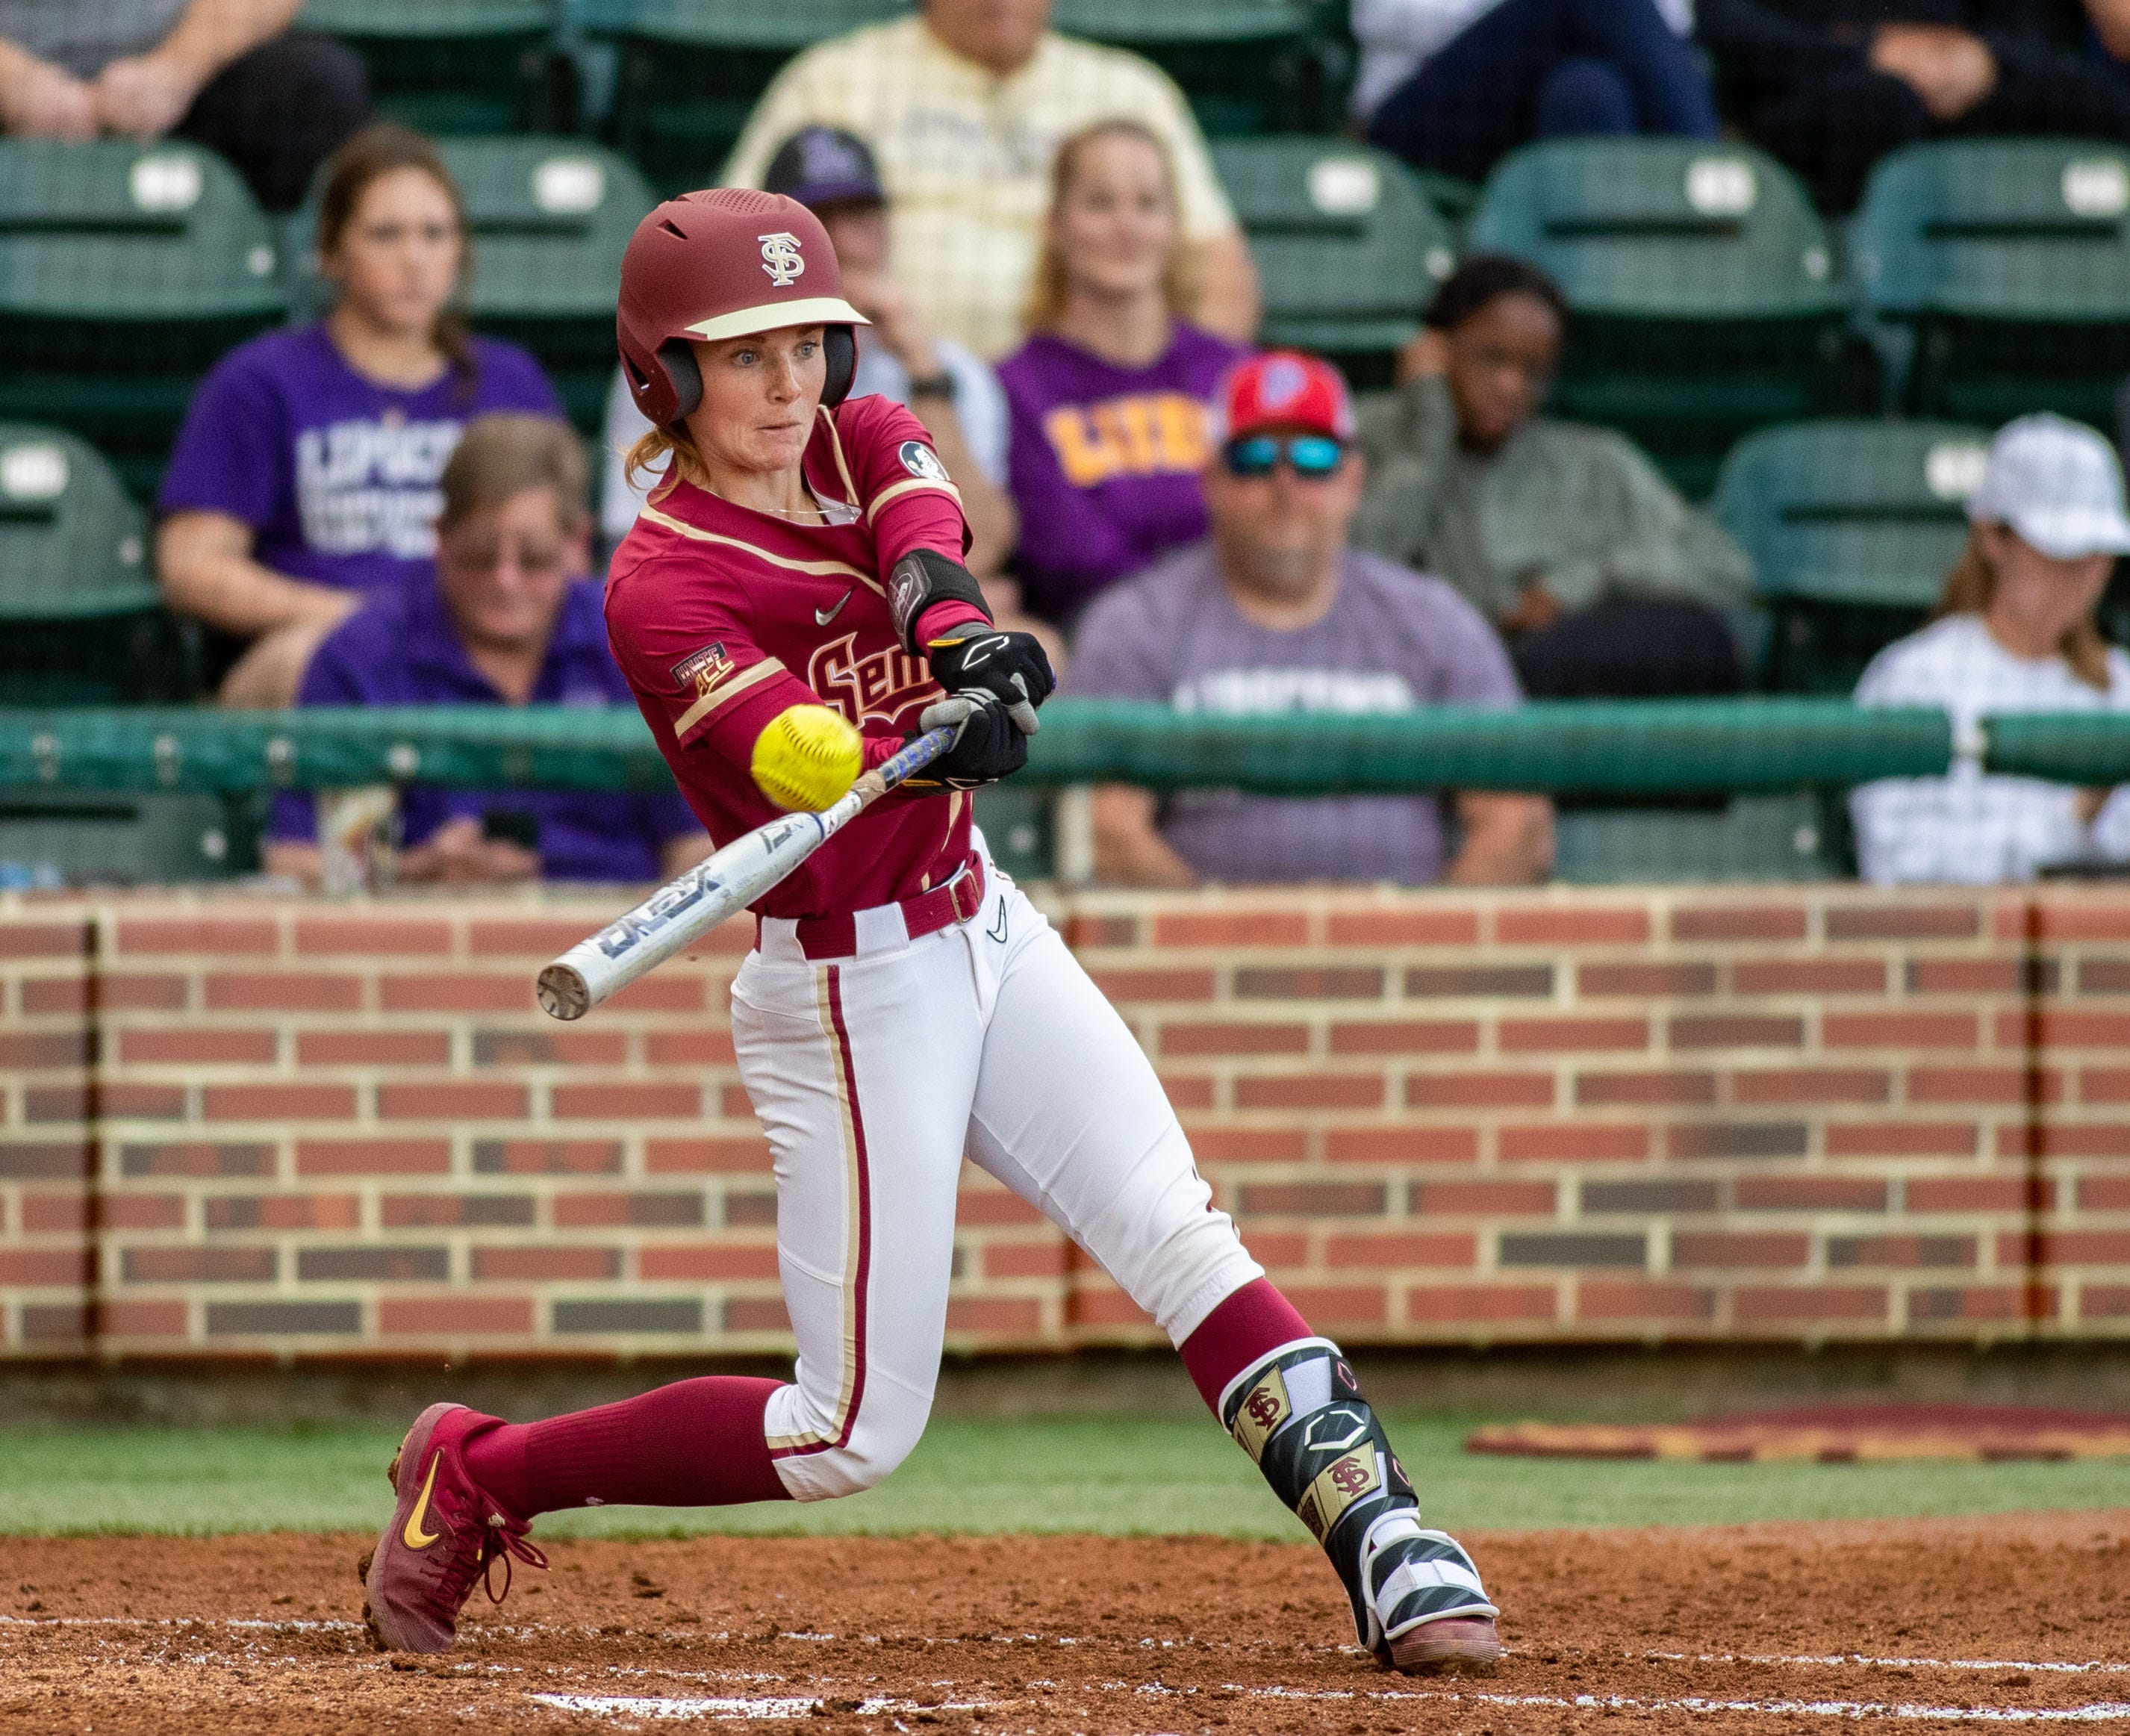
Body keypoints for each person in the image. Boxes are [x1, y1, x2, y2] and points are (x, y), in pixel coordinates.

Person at [358, 189, 1503, 1680]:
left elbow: (920, 535)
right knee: (846, 1430)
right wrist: (894, 739)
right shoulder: (658, 579)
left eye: (805, 345)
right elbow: (793, 756)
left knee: (1170, 1222)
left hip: (981, 920)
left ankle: (1386, 1531)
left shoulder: (859, 427)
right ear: (665, 375)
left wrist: (961, 651)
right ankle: (483, 1465)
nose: (787, 384)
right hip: (846, 982)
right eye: (744, 353)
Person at [1070, 350, 1554, 889]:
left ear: (1352, 478)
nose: (1284, 482)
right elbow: (1107, 830)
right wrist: (1225, 952)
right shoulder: (1137, 623)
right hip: (1202, 959)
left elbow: (1514, 822)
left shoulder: (1434, 620)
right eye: (1253, 457)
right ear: (1210, 480)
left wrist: (1420, 954)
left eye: (1313, 456)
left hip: (1401, 954)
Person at [156, 124, 564, 709]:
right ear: (331, 251)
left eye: (434, 234)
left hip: (481, 648)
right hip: (316, 652)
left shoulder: (510, 382)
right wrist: (358, 621)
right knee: (319, 659)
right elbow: (191, 567)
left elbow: (561, 550)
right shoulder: (259, 382)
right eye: (385, 234)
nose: (414, 259)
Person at [265, 414, 709, 889]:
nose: (506, 581)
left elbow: (699, 848)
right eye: (478, 556)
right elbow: (294, 859)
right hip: (421, 936)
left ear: (577, 543)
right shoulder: (359, 657)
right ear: (439, 537)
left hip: (620, 932)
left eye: (535, 559)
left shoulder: (641, 641)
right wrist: (418, 871)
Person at [719, 0, 1259, 363]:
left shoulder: (1129, 90)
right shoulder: (833, 78)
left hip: (1078, 408)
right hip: (884, 390)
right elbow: (730, 246)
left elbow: (1218, 274)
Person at [605, 125, 1018, 588]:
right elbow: (645, 555)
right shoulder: (678, 360)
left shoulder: (950, 369)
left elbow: (978, 548)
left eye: (859, 219)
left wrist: (924, 373)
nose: (840, 245)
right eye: (817, 224)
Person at [1351, 255, 1752, 700]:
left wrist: (1582, 582)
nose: (1511, 386)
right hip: (1416, 680)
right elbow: (1345, 577)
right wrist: (1425, 441)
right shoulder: (1364, 435)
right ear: (1434, 349)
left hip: (1555, 683)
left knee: (1697, 636)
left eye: (1533, 372)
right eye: (1491, 358)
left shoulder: (1595, 462)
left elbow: (1726, 572)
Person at [1852, 414, 2130, 885]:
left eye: (2099, 552)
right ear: (1992, 538)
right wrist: (2072, 818)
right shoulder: (1914, 677)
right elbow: (1898, 866)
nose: (2084, 572)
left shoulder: (2123, 683)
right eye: (2060, 550)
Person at [997, 119, 1248, 628]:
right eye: (1099, 203)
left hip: (1238, 629)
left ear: (1175, 227)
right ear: (1055, 226)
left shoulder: (1233, 374)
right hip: (1098, 641)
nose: (1126, 226)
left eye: (1147, 204)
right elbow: (1068, 554)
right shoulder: (1014, 387)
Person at [1700, 0, 2130, 215]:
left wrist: (1987, 59)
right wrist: (1870, 51)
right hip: (1815, 84)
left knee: (2086, 105)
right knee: (1877, 106)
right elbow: (1720, 23)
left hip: (1968, 84)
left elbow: (2036, 31)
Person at [0, 0, 369, 212]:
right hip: (11, 95)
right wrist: (10, 80)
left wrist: (177, 68)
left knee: (317, 80)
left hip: (181, 85)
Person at [1355, 0, 1716, 187]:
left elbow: (1671, 22)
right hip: (1424, 113)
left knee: (1588, 92)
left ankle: (1605, 301)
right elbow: (1383, 18)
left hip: (1555, 90)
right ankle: (1704, 178)